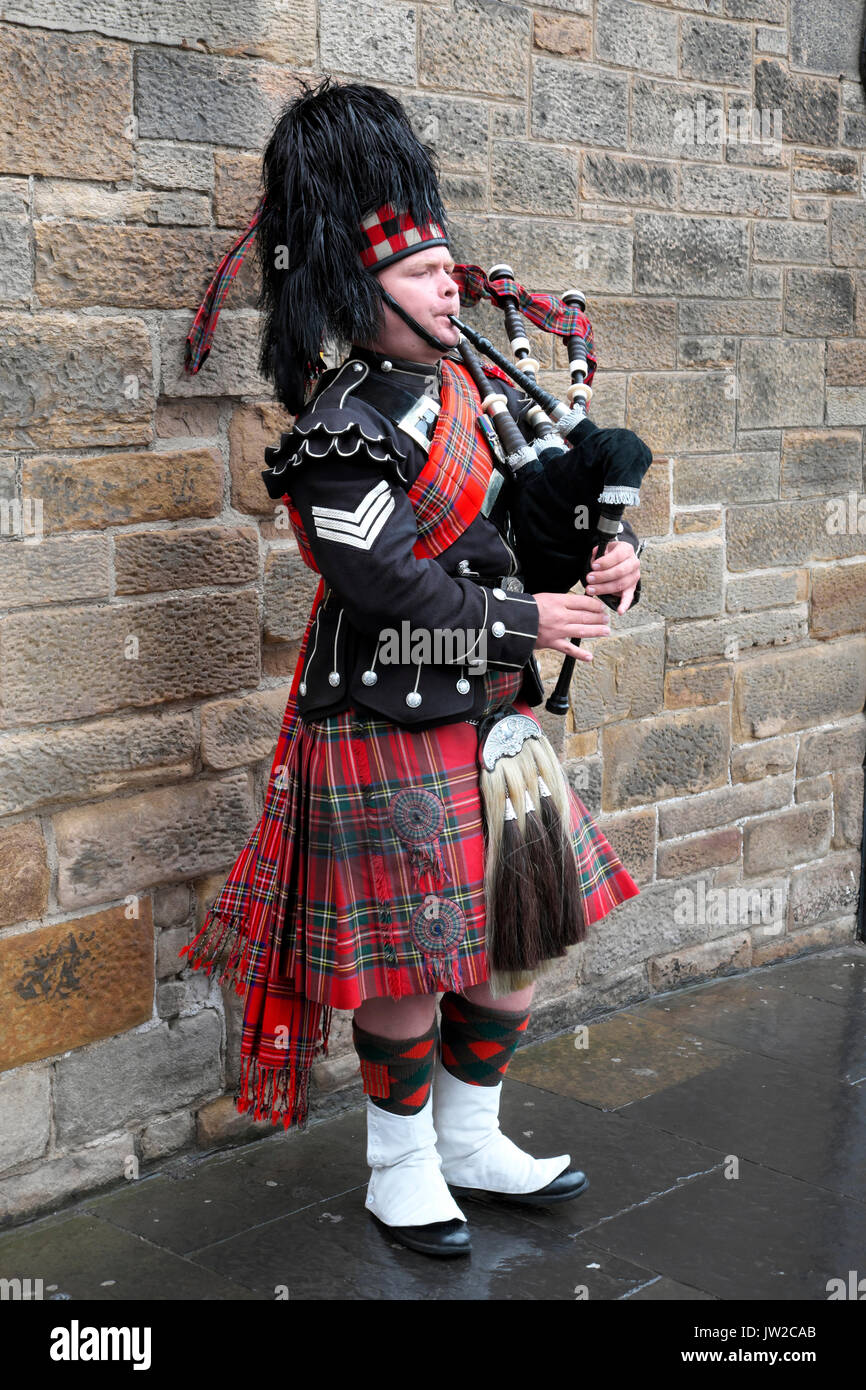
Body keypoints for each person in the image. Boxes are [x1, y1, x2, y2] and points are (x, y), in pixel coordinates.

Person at [181, 76, 648, 1260]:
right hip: (383, 712)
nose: (453, 280)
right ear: (354, 288)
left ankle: (473, 1135)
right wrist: (521, 624)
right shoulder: (340, 431)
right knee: (414, 953)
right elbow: (386, 593)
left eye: (449, 263)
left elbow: (522, 534)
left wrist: (603, 556)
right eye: (423, 268)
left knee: (512, 933)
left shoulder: (479, 395)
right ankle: (399, 1164)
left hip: (487, 717)